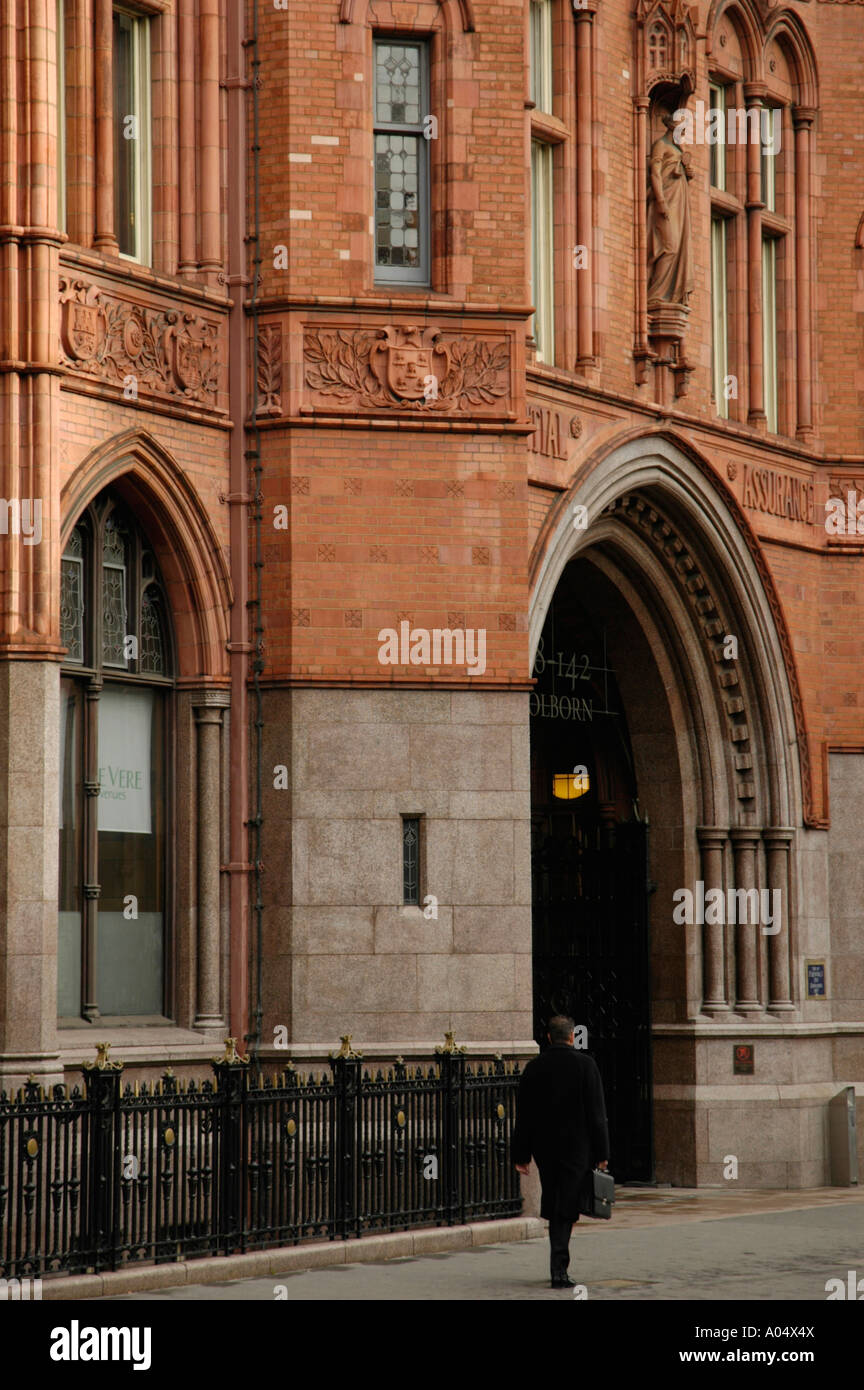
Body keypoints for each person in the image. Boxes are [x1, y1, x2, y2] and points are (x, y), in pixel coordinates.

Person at [512, 1014, 610, 1289]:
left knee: (558, 1200)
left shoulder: (534, 1068)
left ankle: (558, 1264)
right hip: (577, 1148)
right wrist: (603, 1152)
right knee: (565, 1206)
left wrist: (521, 1154)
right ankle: (559, 1269)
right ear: (572, 1037)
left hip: (546, 1148)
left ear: (548, 1038)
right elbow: (596, 1114)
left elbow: (525, 1116)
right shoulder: (586, 1065)